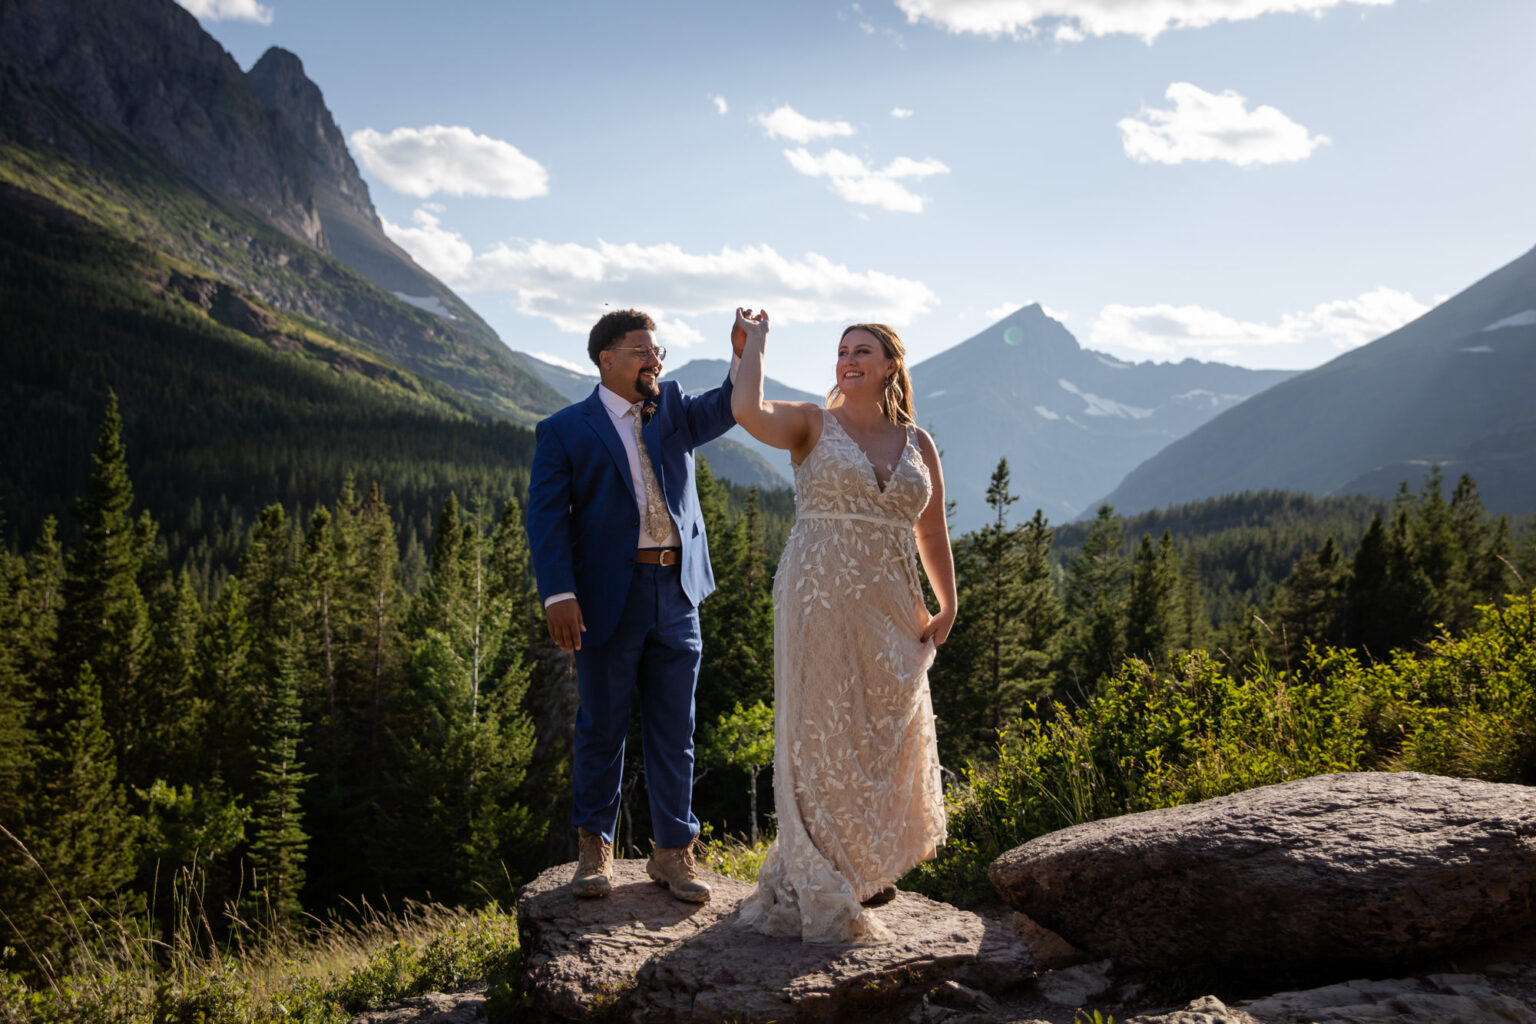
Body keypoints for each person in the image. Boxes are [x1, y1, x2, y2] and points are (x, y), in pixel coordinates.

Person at [729, 308, 957, 943]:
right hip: (817, 593)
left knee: (880, 729)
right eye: (841, 350)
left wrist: (949, 602)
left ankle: (870, 863)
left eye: (863, 350)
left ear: (890, 365)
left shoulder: (919, 442)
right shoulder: (810, 423)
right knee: (823, 728)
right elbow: (747, 411)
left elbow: (930, 528)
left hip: (892, 600)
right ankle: (825, 868)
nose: (849, 359)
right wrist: (753, 348)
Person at [525, 308, 738, 903]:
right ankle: (595, 847)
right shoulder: (565, 429)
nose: (656, 358)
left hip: (678, 593)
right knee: (602, 725)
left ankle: (673, 853)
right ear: (607, 359)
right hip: (604, 600)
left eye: (658, 349)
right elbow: (546, 519)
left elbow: (730, 405)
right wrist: (559, 594)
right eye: (642, 349)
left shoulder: (673, 409)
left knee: (677, 728)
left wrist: (746, 353)